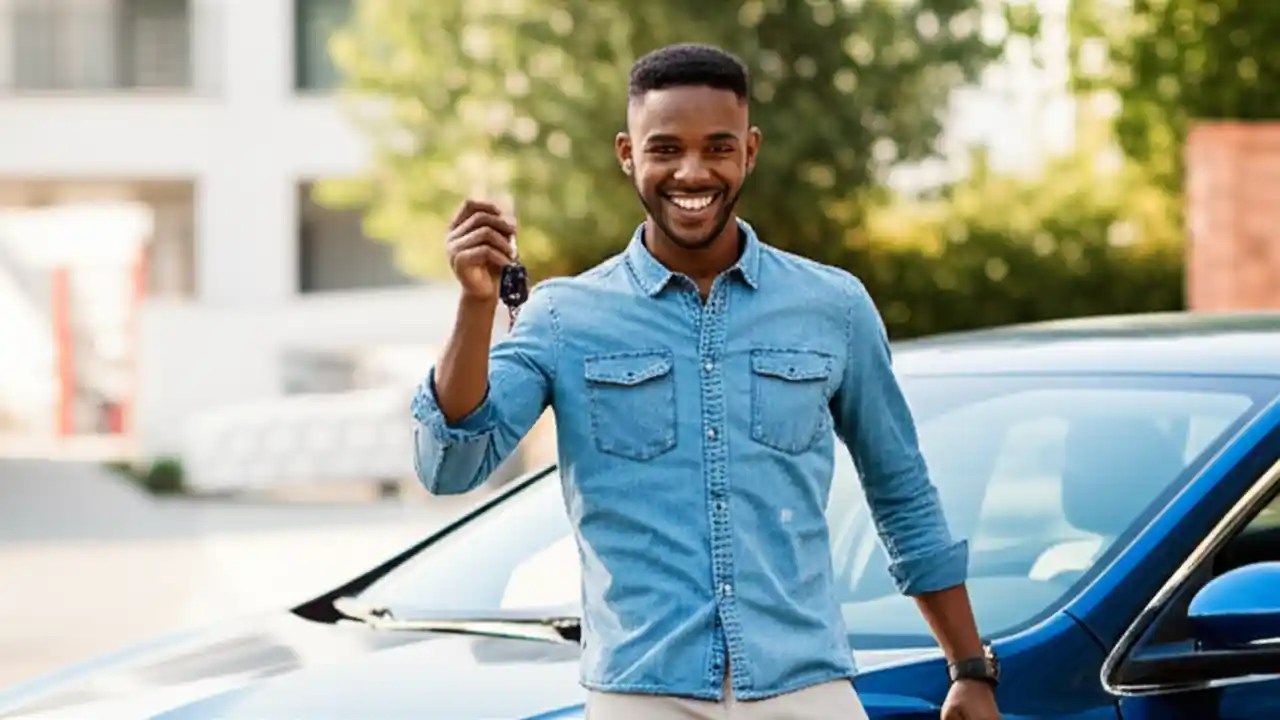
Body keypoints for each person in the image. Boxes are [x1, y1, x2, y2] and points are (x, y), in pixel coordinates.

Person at [412, 42, 1001, 720]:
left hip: (804, 686)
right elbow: (450, 464)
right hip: (641, 692)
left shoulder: (833, 308)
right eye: (665, 149)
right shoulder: (563, 317)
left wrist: (969, 668)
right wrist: (475, 305)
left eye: (717, 148)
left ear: (749, 151)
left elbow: (900, 492)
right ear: (628, 154)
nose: (692, 171)